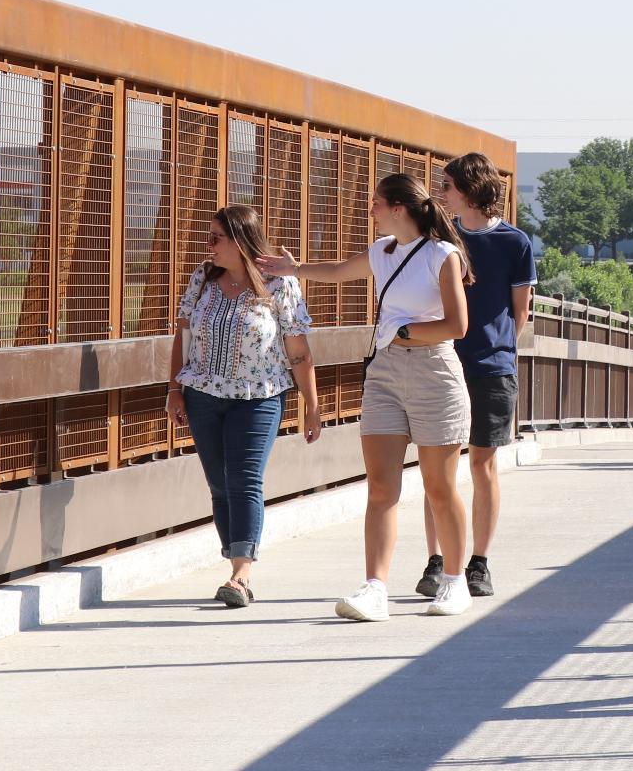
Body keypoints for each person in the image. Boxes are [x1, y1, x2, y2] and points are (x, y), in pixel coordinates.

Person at [261, 173, 475, 622]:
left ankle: (455, 583)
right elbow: (339, 272)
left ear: (399, 208)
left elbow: (458, 326)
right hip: (383, 372)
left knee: (439, 486)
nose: (371, 210)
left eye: (376, 203)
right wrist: (292, 270)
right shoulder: (382, 252)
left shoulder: (443, 255)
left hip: (434, 371)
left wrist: (407, 332)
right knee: (381, 488)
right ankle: (374, 588)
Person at [167, 205, 322, 608]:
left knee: (245, 478)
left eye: (216, 237)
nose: (208, 244)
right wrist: (174, 389)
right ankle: (234, 556)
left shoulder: (279, 284)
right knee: (219, 484)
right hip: (202, 395)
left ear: (240, 240)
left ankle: (240, 574)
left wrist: (312, 405)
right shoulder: (202, 279)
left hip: (260, 397)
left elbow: (299, 352)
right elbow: (183, 338)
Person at [412, 154, 535, 601]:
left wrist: (497, 349)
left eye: (446, 185)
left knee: (483, 466)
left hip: (491, 368)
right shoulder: (438, 240)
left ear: (468, 188)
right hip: (440, 363)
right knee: (437, 469)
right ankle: (438, 560)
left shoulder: (515, 242)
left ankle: (478, 562)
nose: (440, 193)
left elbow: (519, 311)